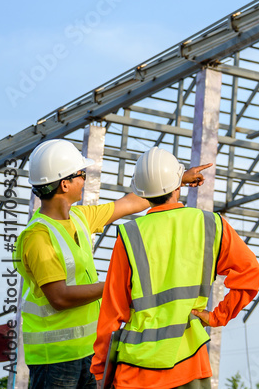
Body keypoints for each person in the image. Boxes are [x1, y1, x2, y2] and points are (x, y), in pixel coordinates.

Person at [13, 139, 209, 389]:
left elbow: (132, 202)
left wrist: (175, 181)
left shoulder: (80, 217)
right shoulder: (38, 237)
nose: (84, 180)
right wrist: (116, 286)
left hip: (88, 351)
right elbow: (59, 297)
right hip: (55, 358)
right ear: (65, 184)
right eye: (81, 174)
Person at [92, 147, 259, 389]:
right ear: (178, 185)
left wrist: (100, 369)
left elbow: (112, 310)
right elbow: (250, 273)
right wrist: (216, 316)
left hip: (137, 371)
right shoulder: (211, 225)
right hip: (190, 366)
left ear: (141, 192)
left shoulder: (130, 235)